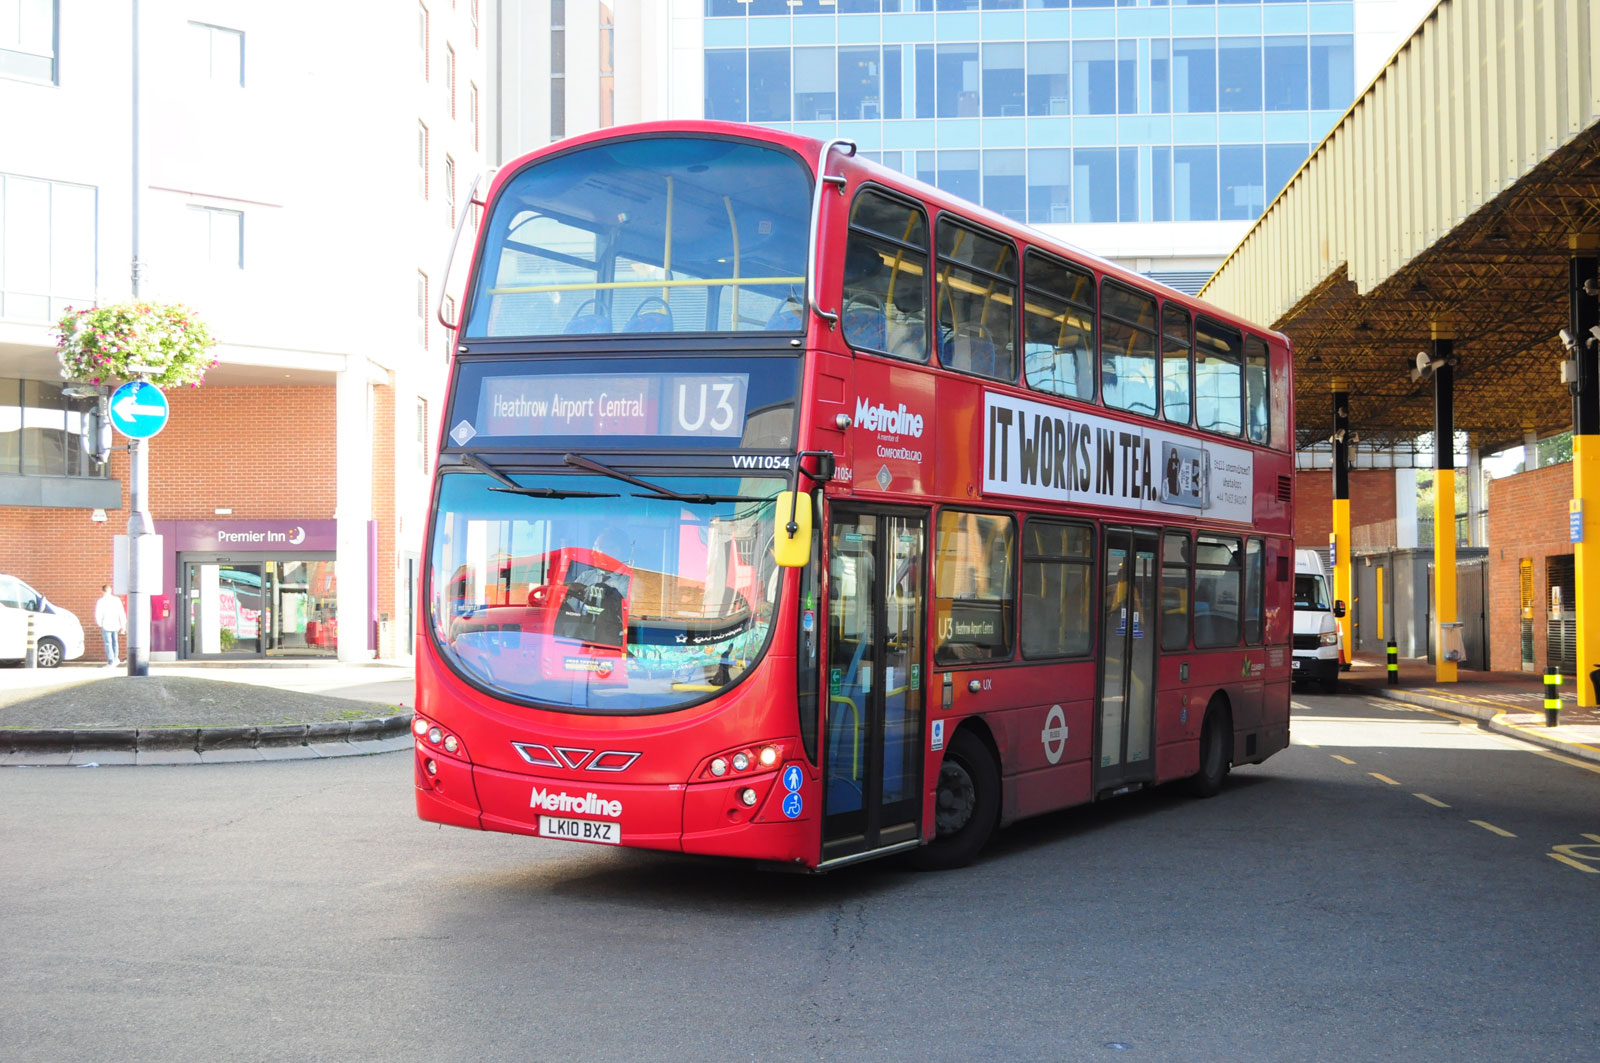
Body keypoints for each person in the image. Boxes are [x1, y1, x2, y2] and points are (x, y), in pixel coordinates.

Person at [94, 584, 126, 668]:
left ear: (102, 591)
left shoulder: (101, 601)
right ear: (110, 590)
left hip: (106, 624)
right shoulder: (116, 600)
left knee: (108, 643)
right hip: (115, 624)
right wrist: (123, 626)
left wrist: (100, 623)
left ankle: (111, 661)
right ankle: (115, 659)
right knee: (115, 642)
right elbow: (121, 613)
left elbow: (98, 614)